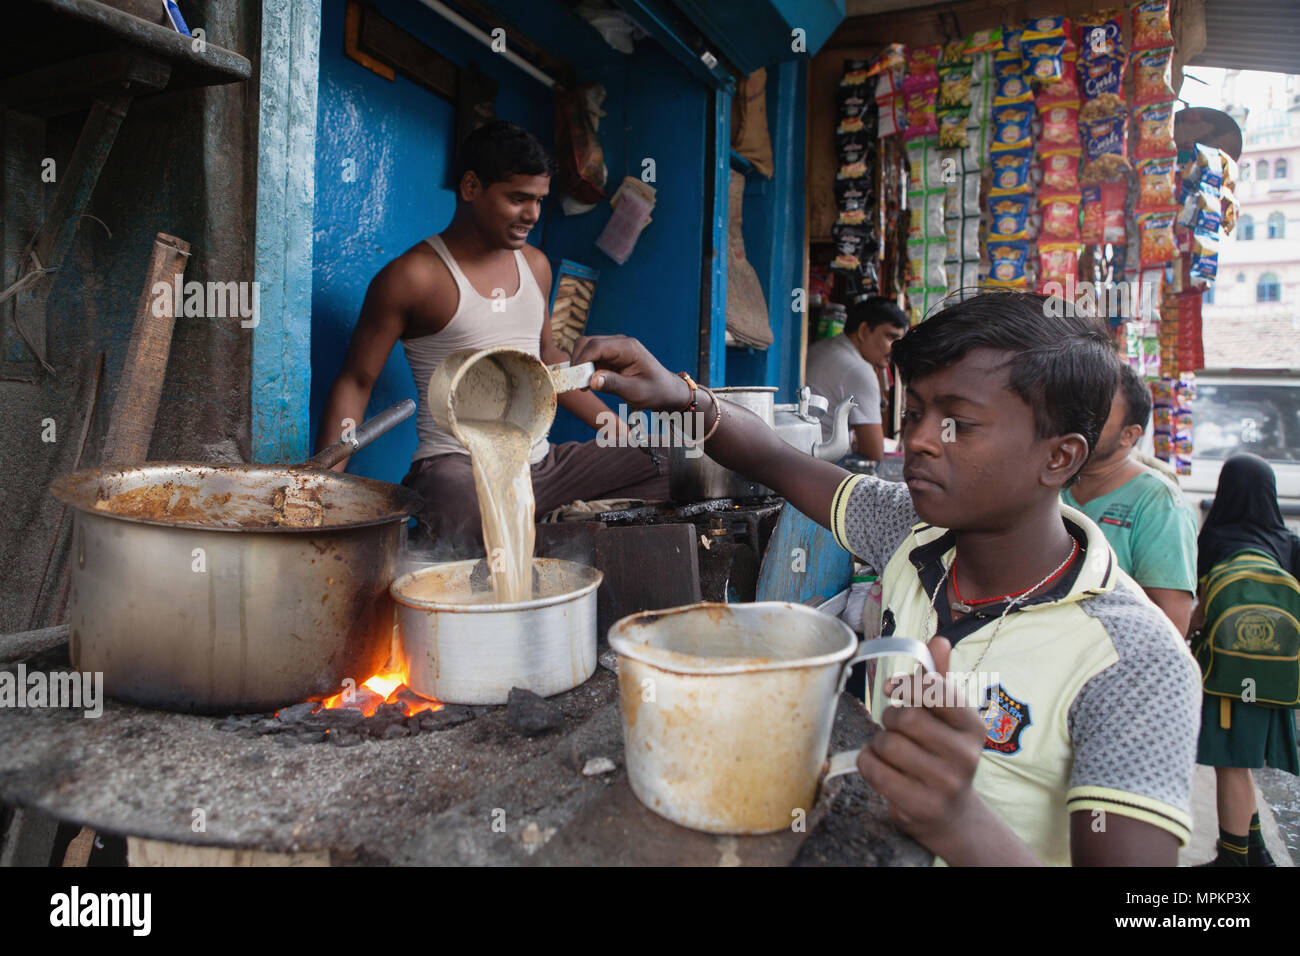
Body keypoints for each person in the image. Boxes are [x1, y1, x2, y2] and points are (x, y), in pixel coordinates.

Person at [572, 291, 1201, 866]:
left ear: (1059, 456)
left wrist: (958, 825)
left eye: (958, 422)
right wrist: (683, 396)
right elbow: (772, 460)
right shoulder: (911, 528)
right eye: (918, 411)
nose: (921, 440)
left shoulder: (1137, 662)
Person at [316, 121, 666, 551]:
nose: (533, 215)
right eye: (518, 198)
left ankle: (554, 530)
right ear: (470, 187)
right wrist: (325, 483)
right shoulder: (413, 277)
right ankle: (522, 545)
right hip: (458, 466)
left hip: (543, 464)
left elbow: (546, 359)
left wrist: (613, 426)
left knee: (667, 458)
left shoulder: (535, 264)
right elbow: (356, 381)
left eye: (539, 200)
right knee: (455, 499)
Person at [1191, 453, 1300, 867]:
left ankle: (1232, 861)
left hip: (1228, 675)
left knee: (1231, 764)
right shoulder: (1286, 542)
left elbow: (1199, 609)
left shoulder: (1215, 538)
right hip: (1273, 678)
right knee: (1244, 760)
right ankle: (1255, 852)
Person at [1062, 362, 1198, 634]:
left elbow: (1172, 621)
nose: (1080, 420)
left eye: (1098, 413)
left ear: (1129, 435)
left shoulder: (1158, 501)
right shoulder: (1050, 481)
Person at [805, 296, 908, 461]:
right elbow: (874, 453)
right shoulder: (860, 370)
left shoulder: (822, 348)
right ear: (864, 331)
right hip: (823, 463)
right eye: (891, 337)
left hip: (802, 454)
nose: (895, 348)